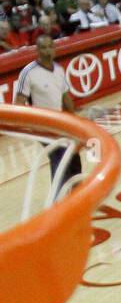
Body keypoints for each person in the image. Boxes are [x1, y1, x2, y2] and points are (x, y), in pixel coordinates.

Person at [14, 35, 83, 192]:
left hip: (61, 123)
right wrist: (28, 127)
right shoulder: (28, 72)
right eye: (44, 47)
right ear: (37, 50)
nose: (48, 50)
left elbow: (66, 98)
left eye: (50, 46)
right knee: (59, 156)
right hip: (43, 126)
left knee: (73, 155)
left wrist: (75, 121)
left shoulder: (59, 69)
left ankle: (77, 192)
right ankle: (57, 199)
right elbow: (19, 103)